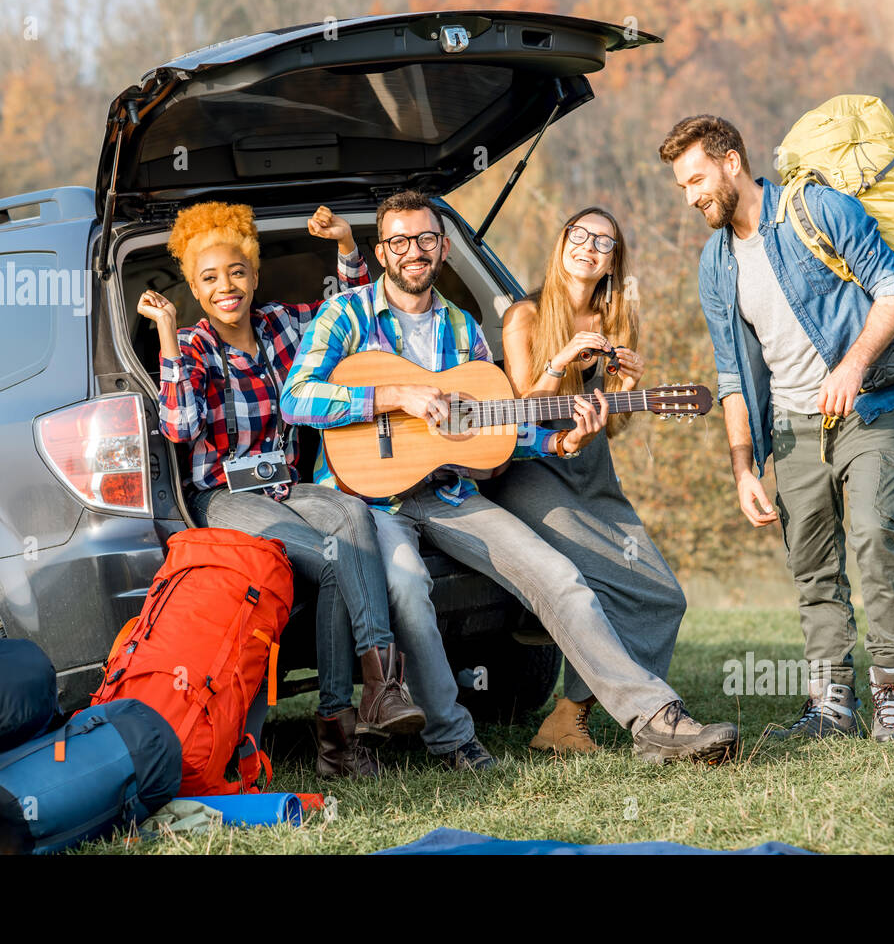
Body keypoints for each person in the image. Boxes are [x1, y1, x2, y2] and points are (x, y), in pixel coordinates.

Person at [281, 189, 740, 770]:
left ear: (443, 248)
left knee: (561, 577)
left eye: (425, 239)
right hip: (371, 498)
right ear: (382, 251)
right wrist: (395, 395)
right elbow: (296, 398)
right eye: (399, 241)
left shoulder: (463, 327)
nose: (413, 251)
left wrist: (559, 440)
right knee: (409, 587)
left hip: (450, 493)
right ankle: (453, 739)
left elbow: (494, 427)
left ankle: (654, 719)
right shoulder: (345, 315)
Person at [137, 200, 424, 778]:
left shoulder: (281, 326)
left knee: (351, 514)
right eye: (210, 278)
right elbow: (178, 427)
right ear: (194, 284)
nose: (227, 287)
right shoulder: (192, 346)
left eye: (237, 272)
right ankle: (341, 731)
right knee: (334, 557)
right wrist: (167, 336)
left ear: (254, 273)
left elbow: (350, 315)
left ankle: (378, 692)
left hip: (285, 486)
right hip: (221, 497)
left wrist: (347, 247)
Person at [660, 115, 894, 741]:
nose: (692, 196)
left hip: (868, 409)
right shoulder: (715, 263)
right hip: (793, 426)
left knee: (875, 540)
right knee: (812, 566)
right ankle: (832, 706)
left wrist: (853, 367)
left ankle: (891, 694)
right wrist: (744, 466)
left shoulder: (817, 210)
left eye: (697, 179)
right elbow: (731, 373)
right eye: (682, 188)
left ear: (731, 160)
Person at [479, 207, 687, 755]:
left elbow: (611, 423)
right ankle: (616, 717)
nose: (589, 247)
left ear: (615, 262)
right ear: (562, 241)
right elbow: (520, 411)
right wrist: (562, 359)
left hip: (591, 468)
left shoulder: (615, 322)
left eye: (605, 242)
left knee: (664, 595)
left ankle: (567, 716)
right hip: (530, 471)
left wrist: (625, 393)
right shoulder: (524, 315)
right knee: (598, 578)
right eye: (580, 235)